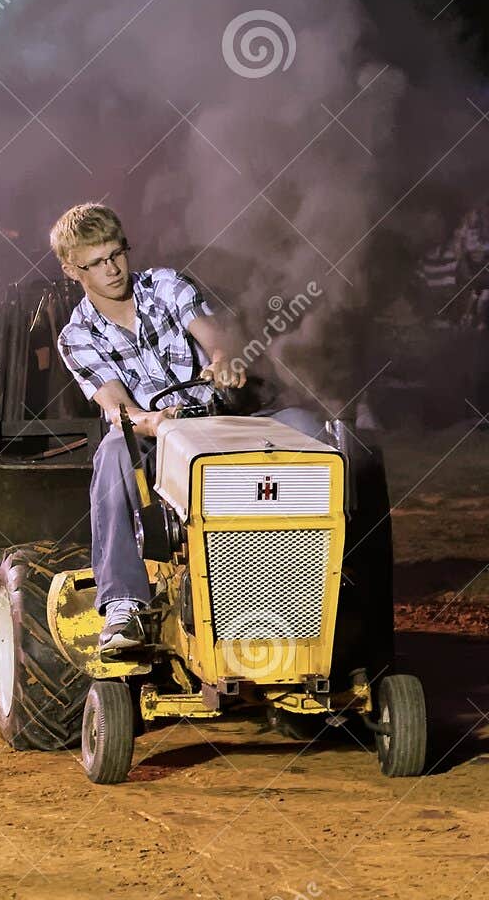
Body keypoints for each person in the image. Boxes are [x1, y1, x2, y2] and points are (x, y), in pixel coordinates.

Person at [50, 202, 320, 651]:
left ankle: (327, 574)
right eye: (95, 263)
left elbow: (215, 337)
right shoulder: (76, 337)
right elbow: (118, 409)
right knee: (114, 451)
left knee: (308, 428)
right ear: (71, 270)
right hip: (156, 440)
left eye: (116, 254)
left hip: (217, 418)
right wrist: (152, 421)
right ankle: (123, 603)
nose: (112, 269)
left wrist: (223, 361)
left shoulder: (166, 285)